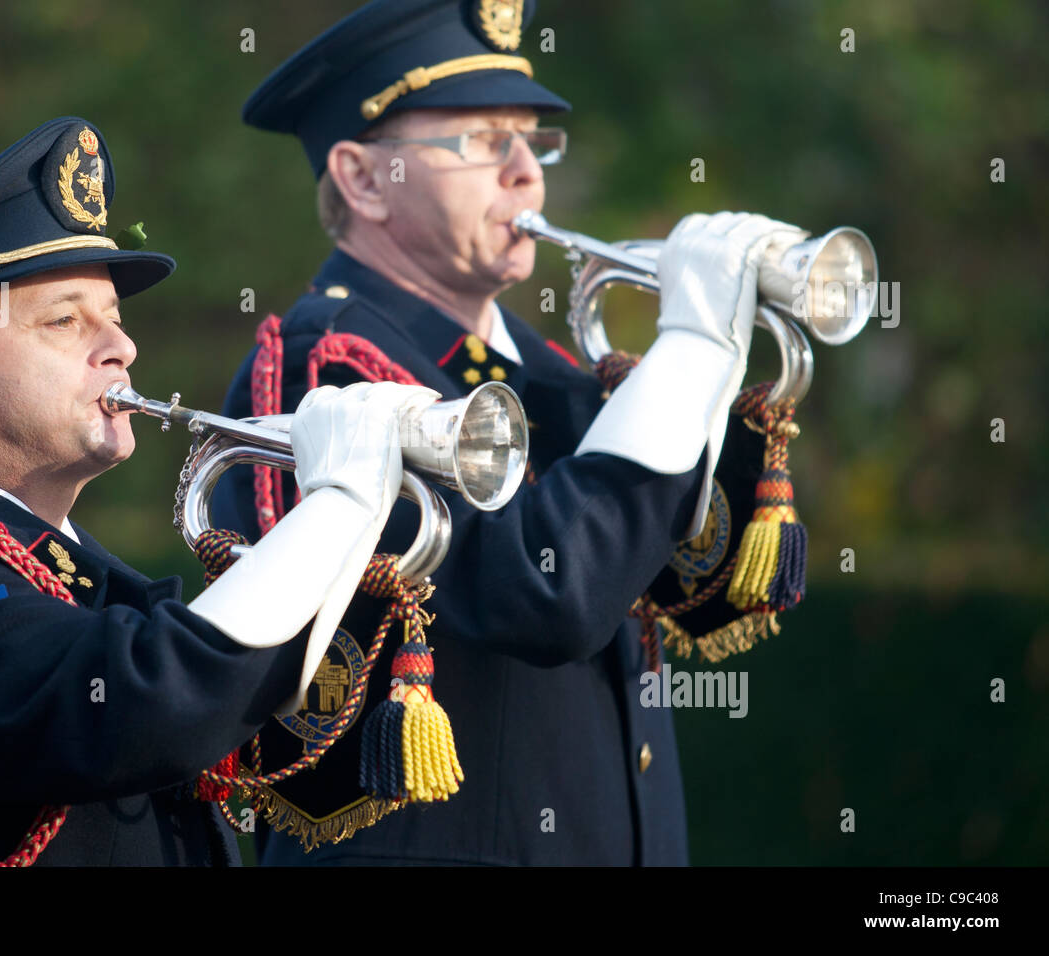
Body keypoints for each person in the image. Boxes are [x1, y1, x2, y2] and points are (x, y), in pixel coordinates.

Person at [212, 0, 798, 865]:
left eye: (534, 141)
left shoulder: (545, 367)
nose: (528, 172)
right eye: (483, 141)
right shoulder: (331, 369)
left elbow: (701, 584)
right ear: (366, 179)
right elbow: (550, 592)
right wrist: (688, 347)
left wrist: (716, 374)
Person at [0, 116, 437, 866]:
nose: (122, 348)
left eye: (116, 320)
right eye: (65, 320)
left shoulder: (81, 576)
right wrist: (339, 505)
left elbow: (283, 744)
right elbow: (149, 702)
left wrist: (371, 535)